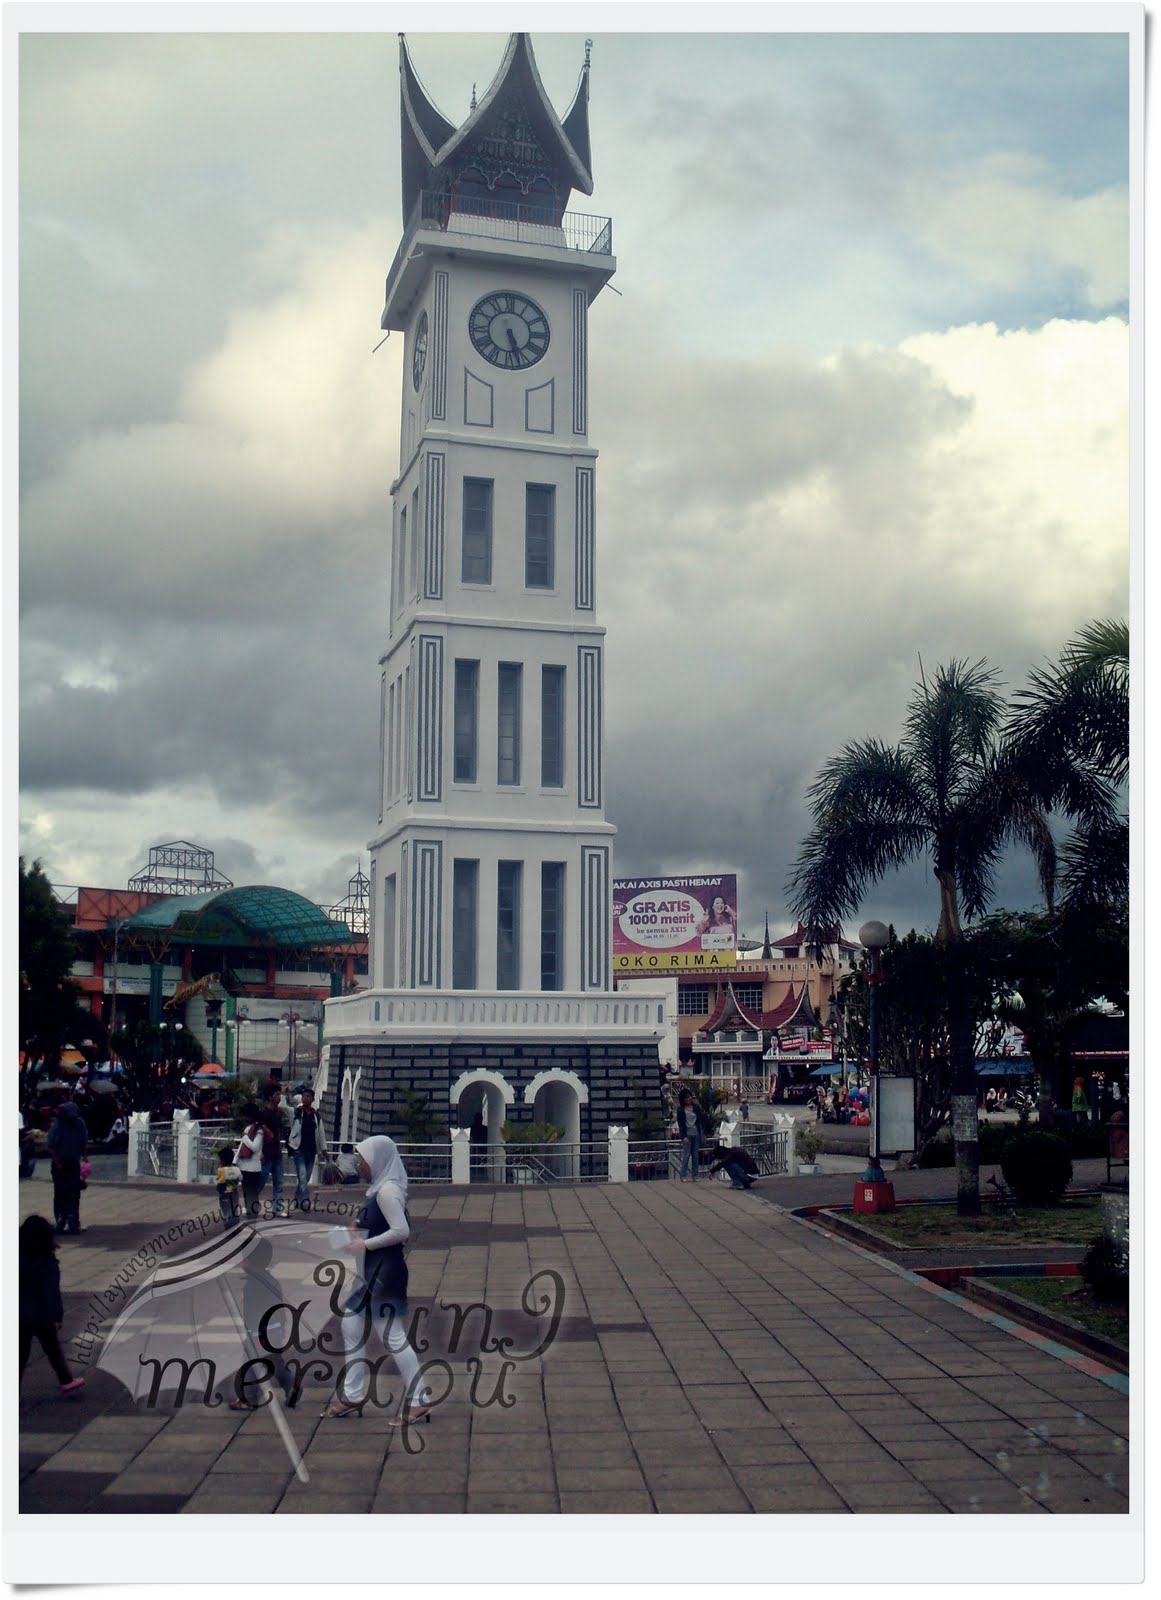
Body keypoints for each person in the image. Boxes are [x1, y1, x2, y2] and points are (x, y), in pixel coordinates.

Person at [320, 1136, 435, 1425]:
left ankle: (419, 1399)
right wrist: (355, 1229)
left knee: (392, 1336)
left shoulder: (387, 1192)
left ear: (377, 1162)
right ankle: (353, 1393)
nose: (359, 1164)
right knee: (351, 1324)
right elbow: (378, 1223)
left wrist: (364, 1245)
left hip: (384, 1272)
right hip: (373, 1270)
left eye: (363, 1159)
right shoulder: (378, 1190)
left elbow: (401, 1231)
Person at [19, 1216, 86, 1395]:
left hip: (19, 1314)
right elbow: (51, 1291)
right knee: (53, 1350)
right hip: (41, 1315)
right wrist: (56, 1316)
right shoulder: (47, 1261)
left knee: (19, 1354)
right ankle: (66, 1380)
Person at [46, 1101, 88, 1234]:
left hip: (72, 1164)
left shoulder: (79, 1124)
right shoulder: (58, 1125)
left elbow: (83, 1143)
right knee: (61, 1192)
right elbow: (51, 1147)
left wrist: (85, 1160)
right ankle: (61, 1220)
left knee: (73, 1193)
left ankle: (72, 1221)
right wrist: (58, 1163)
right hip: (60, 1165)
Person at [287, 1088, 327, 1212]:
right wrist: (285, 1093)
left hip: (312, 1150)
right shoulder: (297, 1112)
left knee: (305, 1177)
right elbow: (284, 1107)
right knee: (303, 1176)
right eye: (304, 1096)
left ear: (312, 1099)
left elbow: (321, 1133)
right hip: (299, 1149)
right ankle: (305, 1201)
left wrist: (324, 1149)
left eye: (308, 1097)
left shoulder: (316, 1115)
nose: (306, 1099)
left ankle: (297, 1199)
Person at [257, 1082, 288, 1217]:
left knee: (279, 1182)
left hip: (276, 1152)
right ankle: (251, 1202)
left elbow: (279, 1132)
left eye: (279, 1094)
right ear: (269, 1097)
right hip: (266, 1152)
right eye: (276, 1095)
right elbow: (259, 1133)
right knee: (261, 1181)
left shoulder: (279, 1113)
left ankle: (277, 1208)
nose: (279, 1097)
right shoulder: (263, 1114)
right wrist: (260, 1151)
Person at [234, 1104, 266, 1219]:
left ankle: (252, 1213)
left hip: (253, 1166)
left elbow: (255, 1147)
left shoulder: (259, 1130)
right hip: (244, 1166)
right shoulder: (249, 1128)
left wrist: (245, 1137)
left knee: (251, 1191)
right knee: (247, 1191)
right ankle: (250, 1212)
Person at [676, 1089, 706, 1182]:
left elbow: (701, 1121)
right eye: (686, 1097)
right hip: (687, 1134)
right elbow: (681, 1124)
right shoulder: (680, 1109)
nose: (688, 1099)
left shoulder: (696, 1107)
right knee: (686, 1155)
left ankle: (695, 1175)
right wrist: (683, 1136)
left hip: (696, 1133)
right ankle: (683, 1175)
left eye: (689, 1096)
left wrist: (703, 1133)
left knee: (695, 1155)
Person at [215, 1143, 241, 1227]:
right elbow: (240, 1178)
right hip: (234, 1191)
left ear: (222, 1161)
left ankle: (228, 1222)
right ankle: (235, 1222)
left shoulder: (221, 1170)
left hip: (223, 1192)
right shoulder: (236, 1169)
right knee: (234, 1207)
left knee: (225, 1208)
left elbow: (219, 1179)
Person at [469, 1110, 488, 1182]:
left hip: (482, 1147)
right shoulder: (473, 1128)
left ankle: (481, 1173)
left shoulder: (484, 1128)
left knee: (482, 1161)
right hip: (476, 1147)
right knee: (475, 1160)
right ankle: (475, 1173)